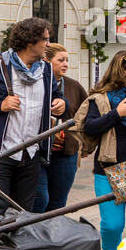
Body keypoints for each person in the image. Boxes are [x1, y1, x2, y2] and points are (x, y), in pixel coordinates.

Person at [0, 17, 66, 215]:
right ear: (29, 41)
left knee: (22, 213)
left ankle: (19, 246)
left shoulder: (46, 70)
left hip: (31, 153)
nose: (48, 44)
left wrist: (61, 104)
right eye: (45, 39)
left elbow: (57, 96)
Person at [80, 49, 126, 250]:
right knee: (112, 225)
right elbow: (88, 128)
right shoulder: (101, 98)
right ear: (123, 70)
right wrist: (117, 114)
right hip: (111, 167)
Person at [35, 42, 87, 213]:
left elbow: (86, 113)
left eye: (67, 60)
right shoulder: (35, 82)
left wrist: (82, 142)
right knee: (40, 199)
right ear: (46, 61)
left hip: (65, 153)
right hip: (39, 152)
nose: (65, 64)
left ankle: (55, 236)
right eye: (61, 60)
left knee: (58, 203)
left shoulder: (74, 86)